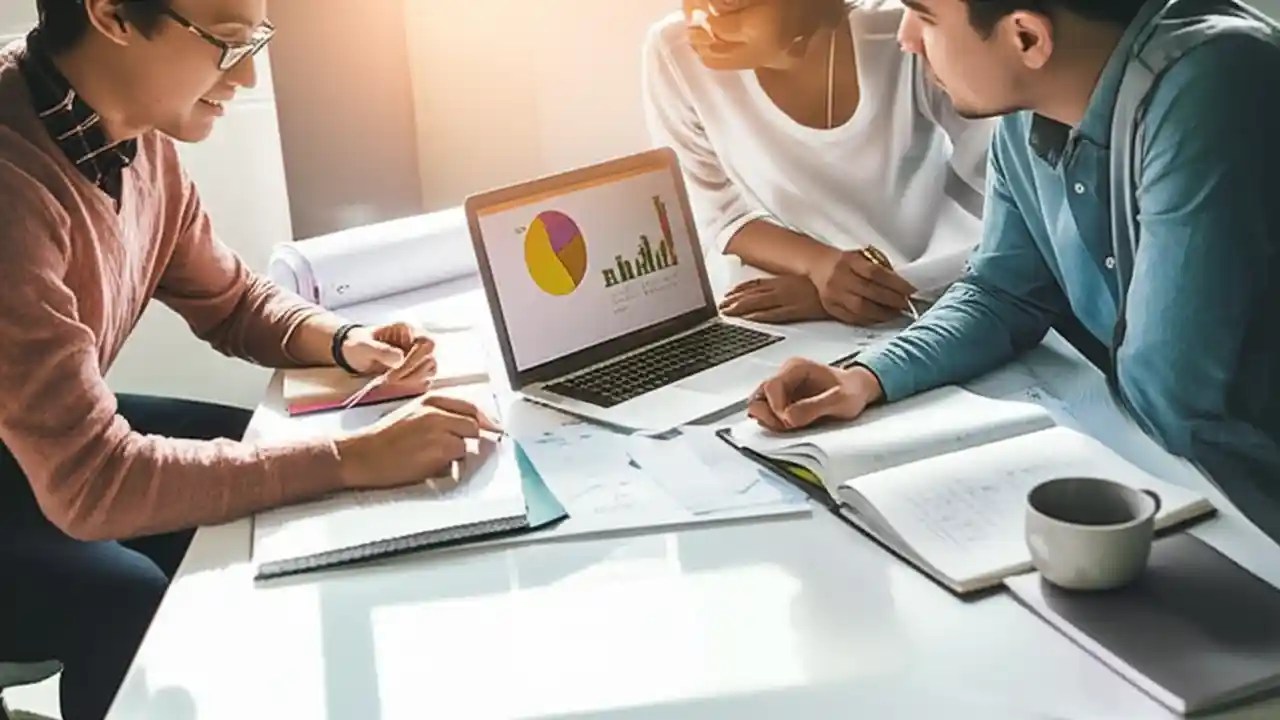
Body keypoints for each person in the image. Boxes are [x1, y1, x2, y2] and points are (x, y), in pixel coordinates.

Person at [0, 1, 498, 718]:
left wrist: (339, 340)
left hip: (29, 447)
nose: (250, 71)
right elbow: (93, 483)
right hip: (32, 473)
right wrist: (349, 461)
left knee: (267, 451)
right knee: (124, 601)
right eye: (229, 42)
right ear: (110, 14)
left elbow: (229, 299)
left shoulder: (134, 130)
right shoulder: (11, 190)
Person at [747, 0, 1280, 541]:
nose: (906, 39)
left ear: (1026, 37)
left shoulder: (1214, 86)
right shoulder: (1029, 113)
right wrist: (863, 378)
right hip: (1183, 484)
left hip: (1249, 505)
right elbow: (1001, 290)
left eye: (924, 17)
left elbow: (1170, 389)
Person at [641, 0, 997, 326]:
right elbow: (717, 216)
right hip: (777, 300)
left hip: (935, 291)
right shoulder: (674, 53)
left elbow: (1008, 206)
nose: (700, 19)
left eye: (731, 5)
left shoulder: (905, 37)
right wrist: (821, 266)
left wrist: (858, 286)